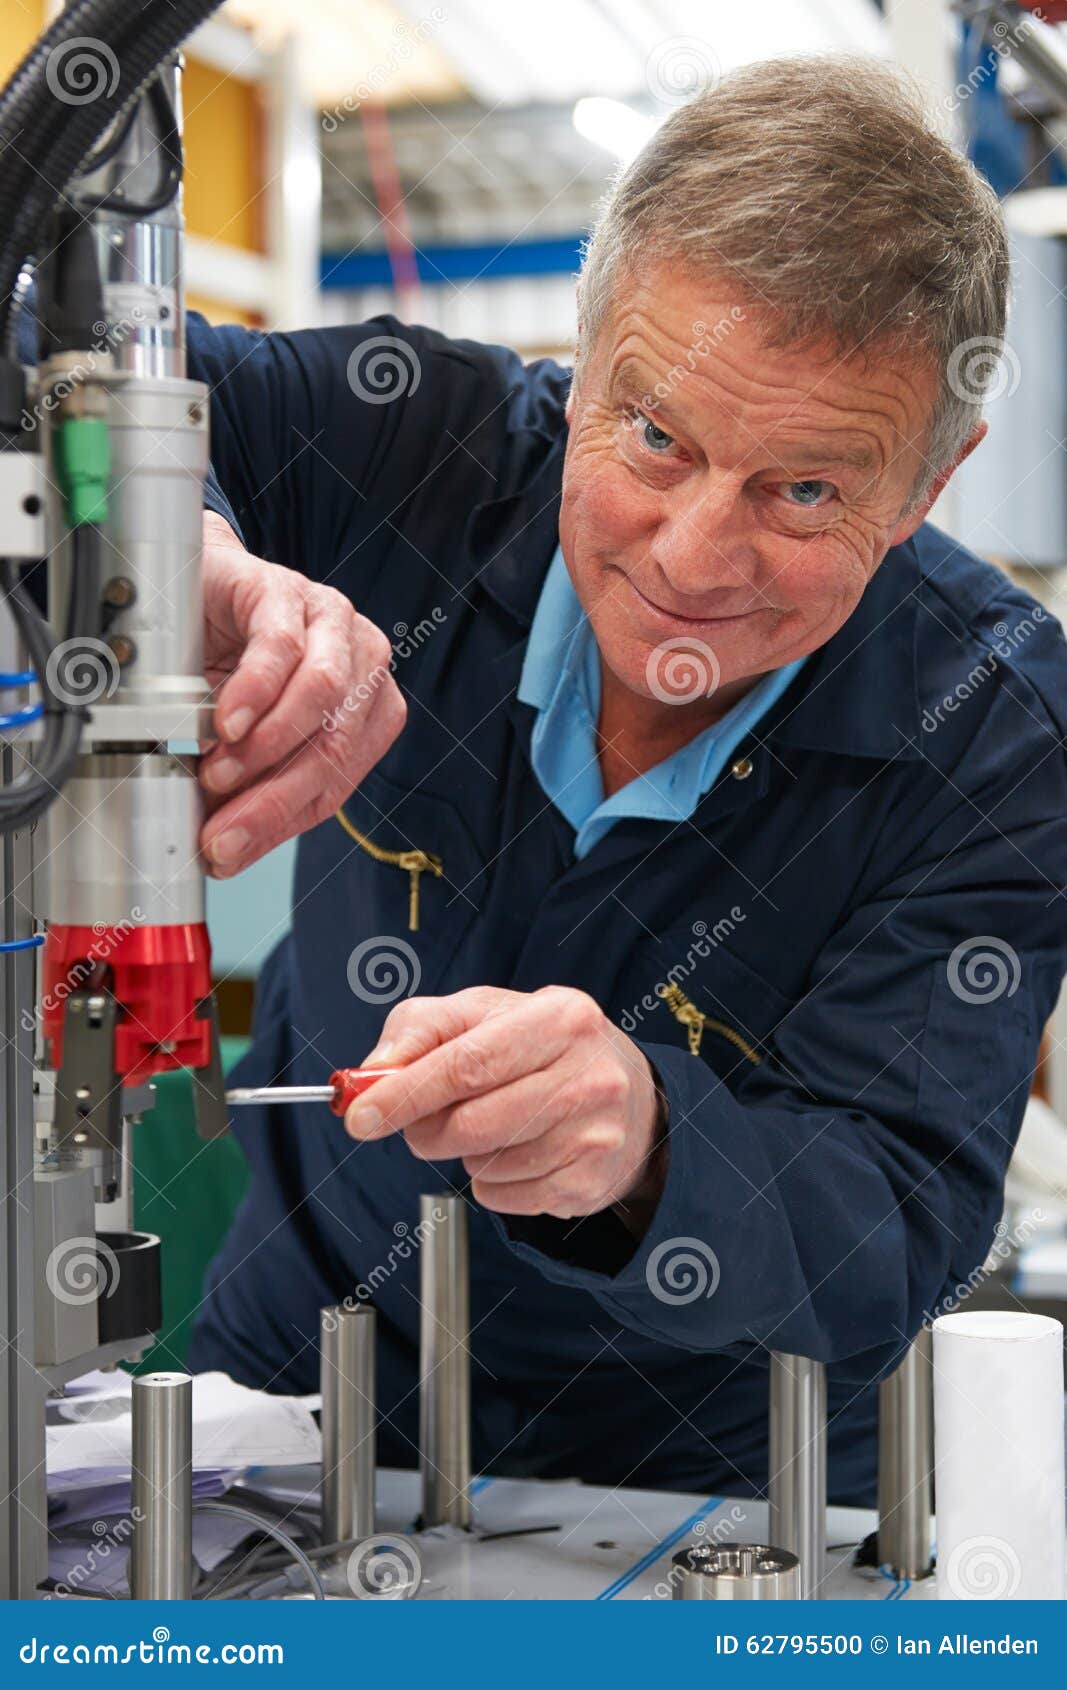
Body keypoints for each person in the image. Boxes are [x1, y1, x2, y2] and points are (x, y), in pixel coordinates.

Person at [184, 57, 1067, 1506]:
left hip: (717, 1489)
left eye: (805, 491)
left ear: (931, 479)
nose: (690, 558)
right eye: (654, 435)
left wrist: (654, 1148)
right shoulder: (410, 445)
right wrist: (192, 541)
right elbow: (58, 366)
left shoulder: (995, 732)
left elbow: (895, 1226)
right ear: (580, 364)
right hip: (306, 1404)